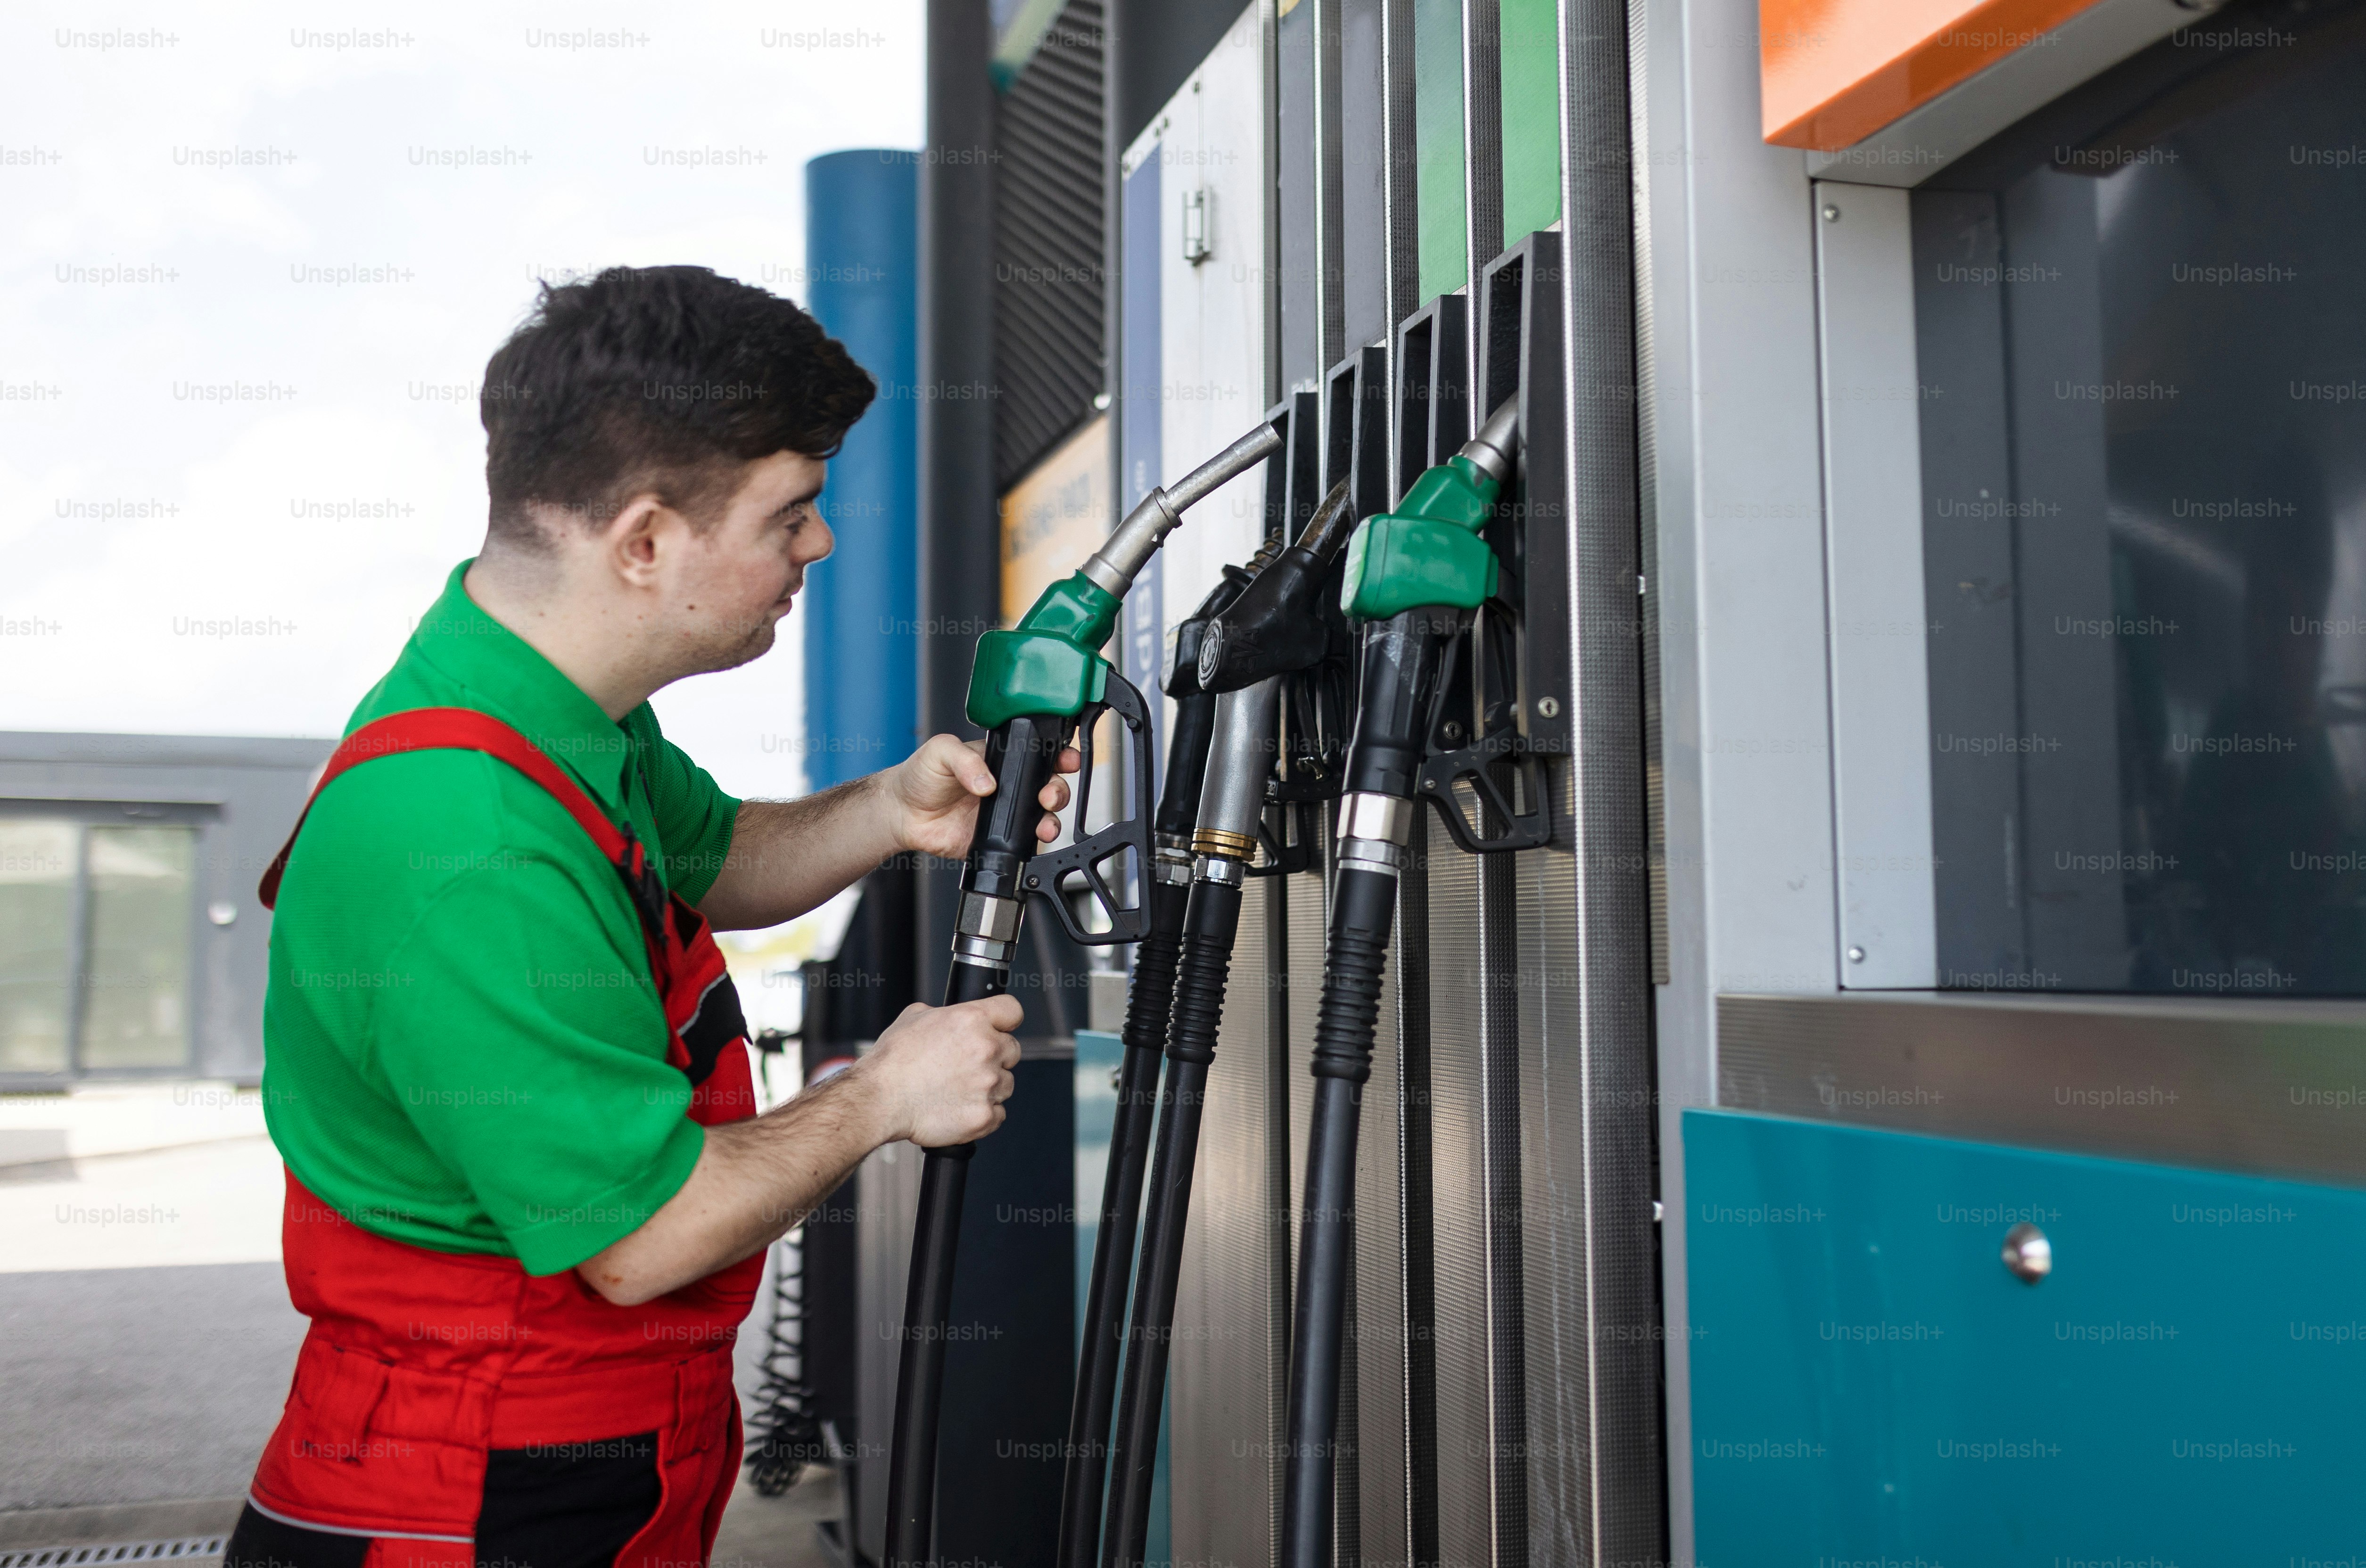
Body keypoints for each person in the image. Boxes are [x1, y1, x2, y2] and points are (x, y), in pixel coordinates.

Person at [222, 265, 1074, 1568]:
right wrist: (885, 1092)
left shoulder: (544, 712)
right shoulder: (466, 845)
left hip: (594, 1443)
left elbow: (719, 854)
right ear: (643, 542)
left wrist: (890, 808)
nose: (820, 547)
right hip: (468, 1494)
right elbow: (641, 1237)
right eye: (790, 515)